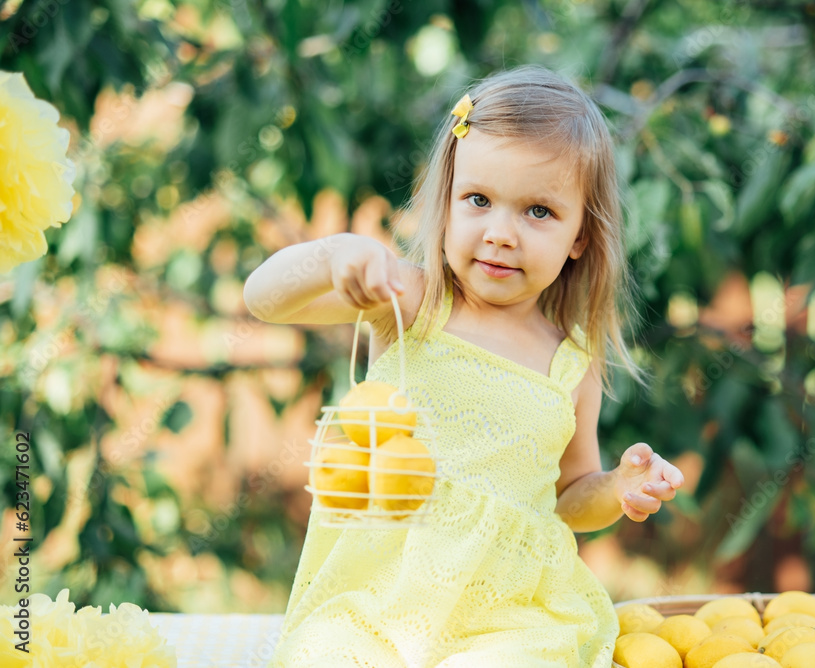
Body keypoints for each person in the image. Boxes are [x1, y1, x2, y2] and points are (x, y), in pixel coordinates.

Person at [244, 64, 685, 668]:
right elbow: (263, 301)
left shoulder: (572, 363)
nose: (501, 233)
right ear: (445, 205)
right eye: (478, 200)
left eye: (538, 212)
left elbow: (569, 495)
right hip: (378, 599)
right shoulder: (413, 303)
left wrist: (616, 489)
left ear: (581, 235)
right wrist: (331, 254)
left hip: (506, 615)